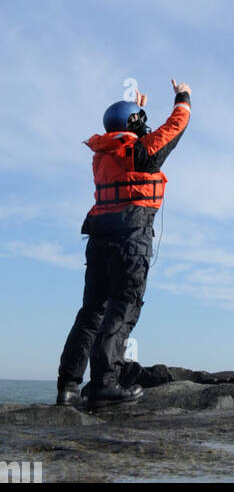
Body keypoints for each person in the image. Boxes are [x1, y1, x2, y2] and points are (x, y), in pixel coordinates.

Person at [56, 79, 191, 407]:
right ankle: (105, 383)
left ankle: (69, 386)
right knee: (124, 306)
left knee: (91, 311)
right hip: (131, 240)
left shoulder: (103, 153)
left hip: (99, 239)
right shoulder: (142, 153)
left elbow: (129, 135)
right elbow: (175, 126)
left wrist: (136, 111)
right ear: (134, 125)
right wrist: (182, 97)